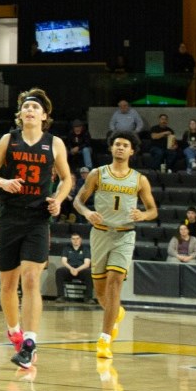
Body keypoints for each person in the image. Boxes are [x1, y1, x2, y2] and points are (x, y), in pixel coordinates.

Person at [0, 89, 74, 369]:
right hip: (10, 217)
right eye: (26, 107)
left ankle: (30, 342)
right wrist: (3, 183)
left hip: (37, 219)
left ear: (44, 116)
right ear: (20, 115)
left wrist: (58, 199)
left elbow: (67, 179)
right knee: (8, 285)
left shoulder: (54, 143)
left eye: (35, 108)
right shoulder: (8, 140)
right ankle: (14, 331)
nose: (30, 110)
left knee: (31, 279)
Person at [74, 132, 157, 359]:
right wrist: (87, 212)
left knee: (114, 283)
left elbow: (153, 210)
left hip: (124, 235)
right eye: (117, 144)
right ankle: (116, 313)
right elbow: (78, 200)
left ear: (132, 151)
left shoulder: (139, 179)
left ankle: (104, 340)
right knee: (101, 294)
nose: (120, 147)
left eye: (125, 145)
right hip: (100, 234)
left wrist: (143, 215)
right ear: (111, 148)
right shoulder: (97, 174)